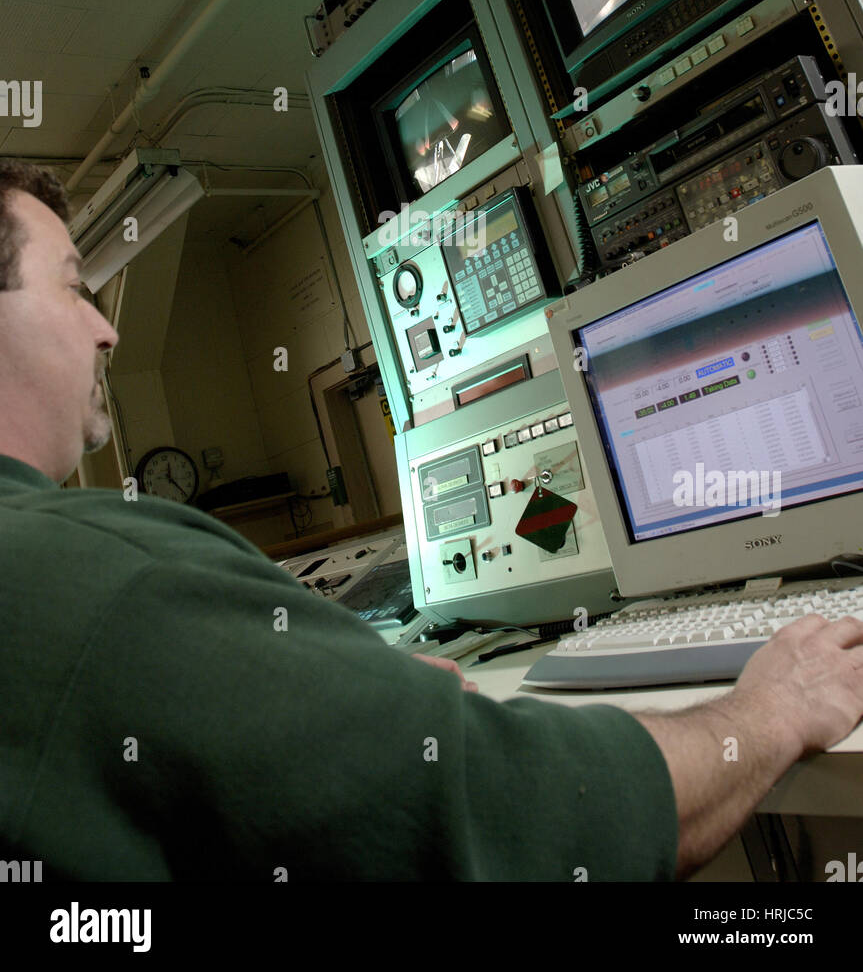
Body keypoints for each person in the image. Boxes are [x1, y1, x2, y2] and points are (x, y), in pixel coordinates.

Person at [2, 157, 863, 882]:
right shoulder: (108, 574)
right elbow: (525, 817)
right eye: (77, 288)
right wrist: (768, 711)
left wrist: (377, 713)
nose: (105, 333)